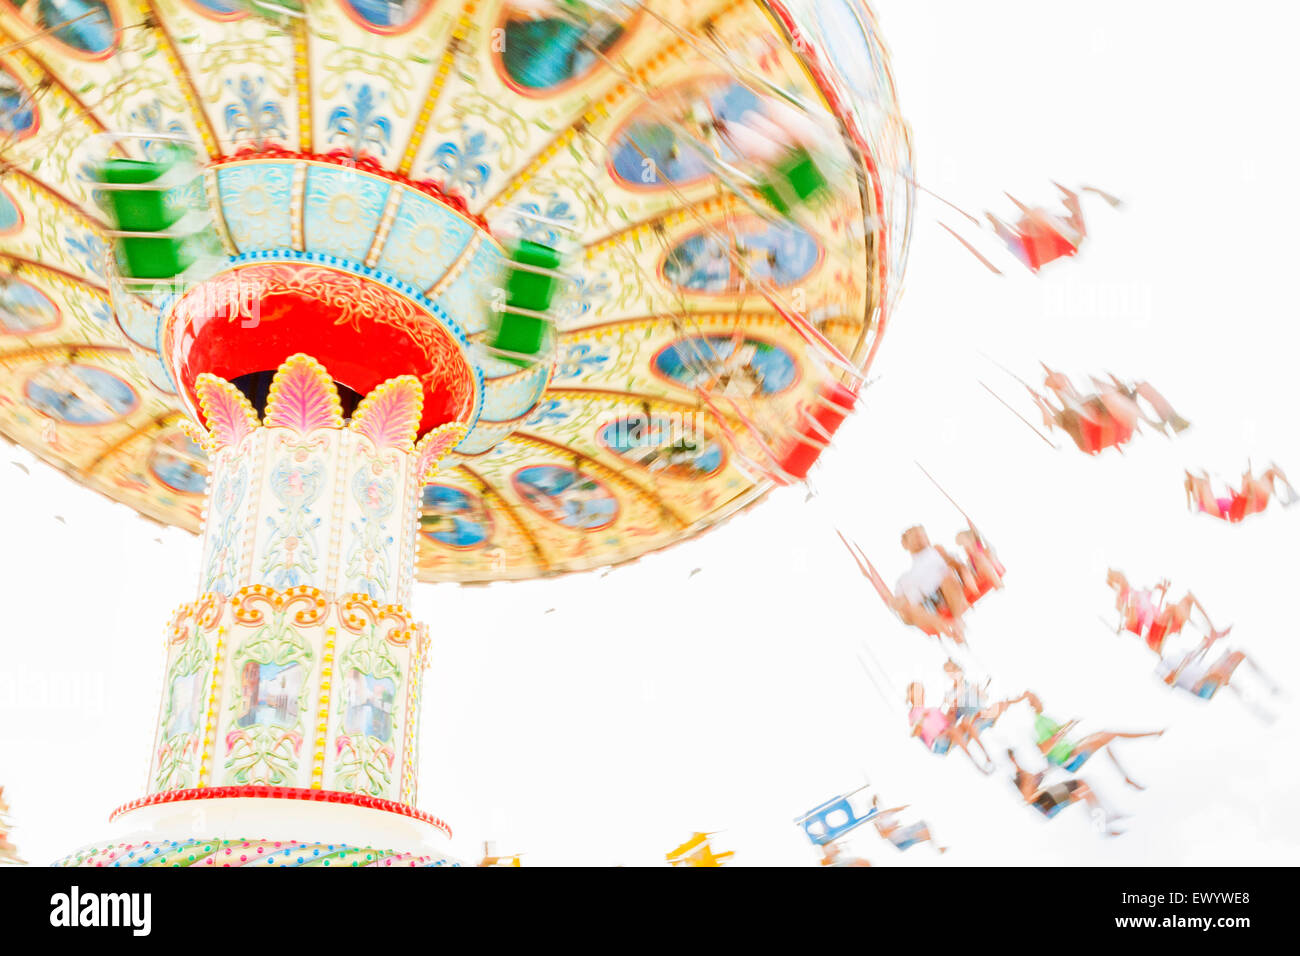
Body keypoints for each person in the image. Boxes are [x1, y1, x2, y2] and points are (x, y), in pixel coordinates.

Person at [1024, 693, 1163, 790]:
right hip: (1069, 758)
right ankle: (1153, 733)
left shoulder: (1044, 719)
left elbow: (1058, 731)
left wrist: (1071, 723)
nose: (1041, 701)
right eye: (1038, 699)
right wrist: (1064, 730)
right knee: (1109, 735)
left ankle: (1126, 777)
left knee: (1105, 735)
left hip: (1072, 749)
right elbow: (1045, 748)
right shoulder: (1038, 723)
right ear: (1032, 704)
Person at [1006, 749, 1124, 836]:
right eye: (1014, 758)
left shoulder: (1025, 772)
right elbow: (1028, 799)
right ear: (1012, 760)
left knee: (1083, 787)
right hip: (1046, 801)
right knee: (1082, 789)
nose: (1017, 760)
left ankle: (1104, 820)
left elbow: (1035, 783)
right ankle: (1103, 824)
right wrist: (1042, 789)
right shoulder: (1019, 777)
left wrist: (1045, 771)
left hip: (1048, 796)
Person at [892, 526, 971, 643]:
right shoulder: (903, 580)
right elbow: (904, 613)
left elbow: (960, 568)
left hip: (946, 591)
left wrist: (948, 559)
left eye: (922, 535)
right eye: (914, 535)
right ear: (905, 544)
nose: (919, 537)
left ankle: (956, 623)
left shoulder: (937, 552)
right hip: (925, 607)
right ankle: (946, 626)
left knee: (948, 574)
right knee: (907, 607)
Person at [907, 682, 994, 773]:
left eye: (921, 691)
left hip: (947, 735)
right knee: (952, 731)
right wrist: (921, 720)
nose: (920, 694)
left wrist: (952, 711)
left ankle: (988, 757)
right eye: (916, 691)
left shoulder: (934, 710)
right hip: (936, 743)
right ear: (910, 695)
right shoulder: (912, 714)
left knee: (966, 723)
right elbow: (914, 733)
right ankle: (978, 766)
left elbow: (949, 723)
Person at [1185, 463, 1296, 522]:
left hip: (1249, 503)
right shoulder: (1201, 494)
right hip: (1253, 503)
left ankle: (1285, 496)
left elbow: (1242, 499)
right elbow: (1246, 499)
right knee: (1269, 473)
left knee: (1270, 472)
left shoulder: (1202, 497)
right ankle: (1285, 495)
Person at [869, 794, 948, 854]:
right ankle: (937, 849)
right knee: (923, 831)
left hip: (904, 833)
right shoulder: (877, 822)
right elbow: (883, 836)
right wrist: (893, 827)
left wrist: (904, 806)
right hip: (900, 841)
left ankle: (938, 848)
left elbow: (897, 809)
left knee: (923, 825)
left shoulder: (886, 813)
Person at [954, 523, 1005, 599]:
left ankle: (997, 583)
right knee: (966, 568)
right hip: (976, 570)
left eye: (964, 541)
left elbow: (974, 528)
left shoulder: (978, 543)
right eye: (963, 544)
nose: (964, 546)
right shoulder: (969, 555)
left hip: (985, 564)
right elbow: (969, 565)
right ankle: (976, 592)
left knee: (980, 557)